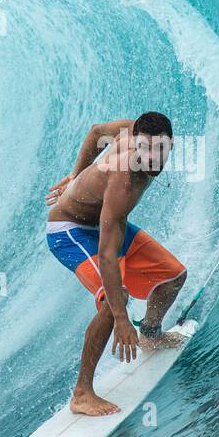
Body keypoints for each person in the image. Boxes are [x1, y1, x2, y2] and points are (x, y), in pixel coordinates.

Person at [44, 112, 187, 415]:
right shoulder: (124, 182)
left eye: (158, 150)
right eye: (144, 150)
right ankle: (82, 393)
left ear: (171, 144)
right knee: (114, 299)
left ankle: (150, 334)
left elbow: (97, 133)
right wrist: (121, 318)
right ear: (135, 142)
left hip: (103, 220)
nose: (151, 159)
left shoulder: (132, 129)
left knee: (173, 276)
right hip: (70, 231)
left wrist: (76, 176)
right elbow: (107, 255)